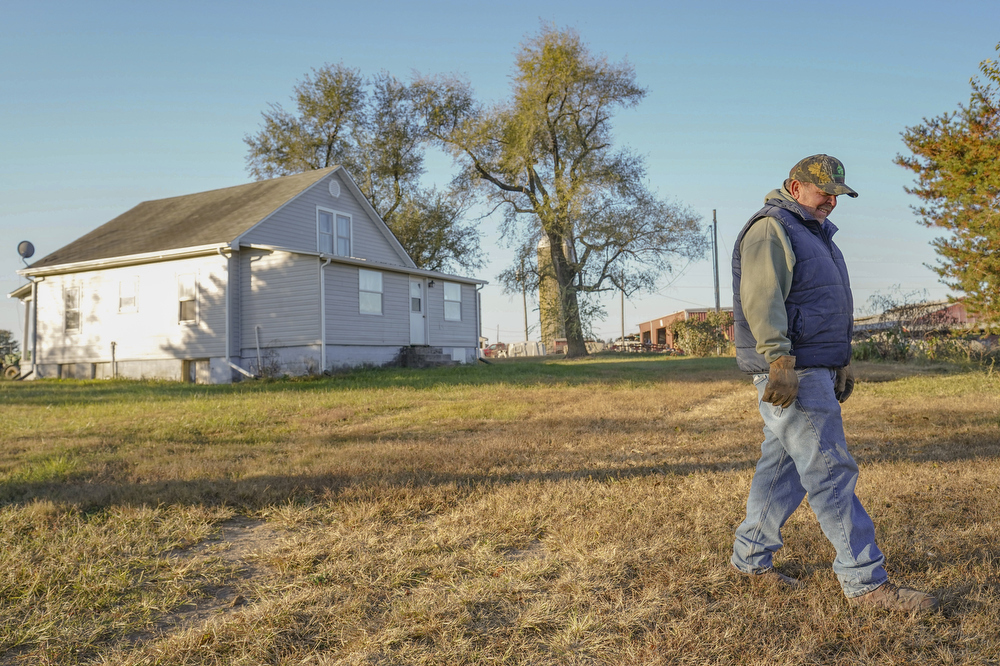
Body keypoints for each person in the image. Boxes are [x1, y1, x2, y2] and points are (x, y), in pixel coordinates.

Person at [729, 154, 937, 612]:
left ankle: (749, 558)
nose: (830, 202)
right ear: (794, 185)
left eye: (836, 195)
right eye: (823, 192)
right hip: (792, 369)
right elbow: (762, 299)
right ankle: (866, 583)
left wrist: (837, 361)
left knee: (781, 469)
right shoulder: (772, 227)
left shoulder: (815, 234)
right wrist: (779, 358)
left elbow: (824, 304)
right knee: (830, 470)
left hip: (811, 365)